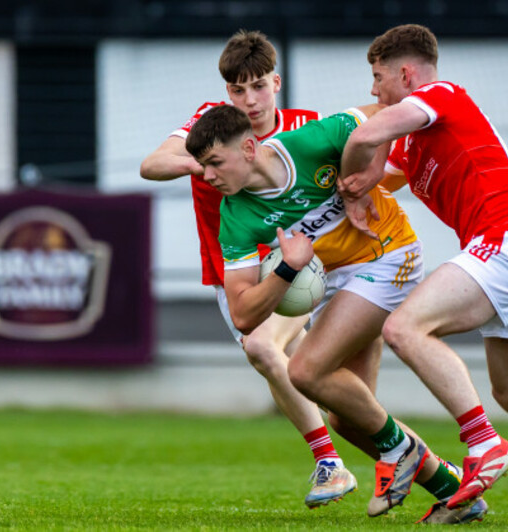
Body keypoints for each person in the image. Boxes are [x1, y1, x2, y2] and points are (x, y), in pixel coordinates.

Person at [338, 24, 508, 527]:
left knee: (403, 328)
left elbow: (365, 133)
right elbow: (370, 172)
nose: (373, 91)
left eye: (378, 78)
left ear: (406, 73)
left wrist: (361, 164)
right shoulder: (412, 144)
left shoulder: (441, 94)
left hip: (507, 241)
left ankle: (482, 441)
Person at [185, 103, 488, 524]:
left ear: (250, 148)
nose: (208, 176)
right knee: (348, 420)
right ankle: (454, 491)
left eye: (215, 163)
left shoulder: (311, 140)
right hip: (337, 283)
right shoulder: (236, 213)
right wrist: (288, 269)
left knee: (306, 371)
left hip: (388, 256)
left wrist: (365, 181)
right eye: (202, 167)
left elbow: (379, 119)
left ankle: (400, 451)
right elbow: (241, 314)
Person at [140, 30, 353, 509]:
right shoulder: (209, 128)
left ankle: (331, 464)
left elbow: (355, 159)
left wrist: (359, 190)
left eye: (258, 86)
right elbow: (151, 165)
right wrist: (208, 162)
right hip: (234, 275)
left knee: (263, 348)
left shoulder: (305, 126)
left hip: (305, 272)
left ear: (277, 82)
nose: (250, 100)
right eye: (238, 89)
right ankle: (419, 466)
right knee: (320, 390)